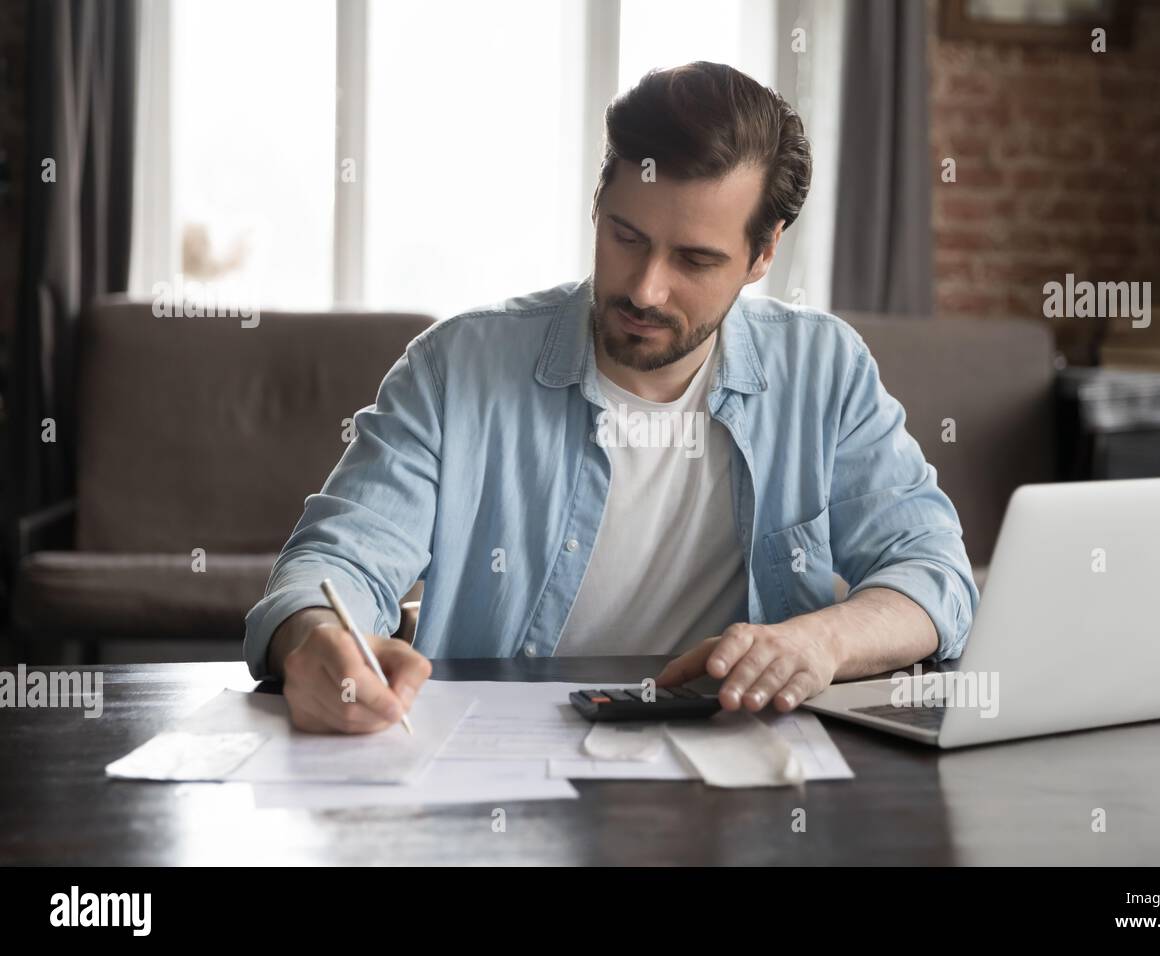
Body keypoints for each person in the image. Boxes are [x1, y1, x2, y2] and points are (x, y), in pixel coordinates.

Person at [243, 61, 978, 734]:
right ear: (598, 205)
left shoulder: (825, 370)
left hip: (740, 763)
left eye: (695, 259)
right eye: (627, 236)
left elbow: (935, 573)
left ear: (763, 254)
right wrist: (314, 643)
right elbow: (332, 563)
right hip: (500, 766)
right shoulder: (456, 368)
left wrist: (820, 641)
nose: (645, 288)